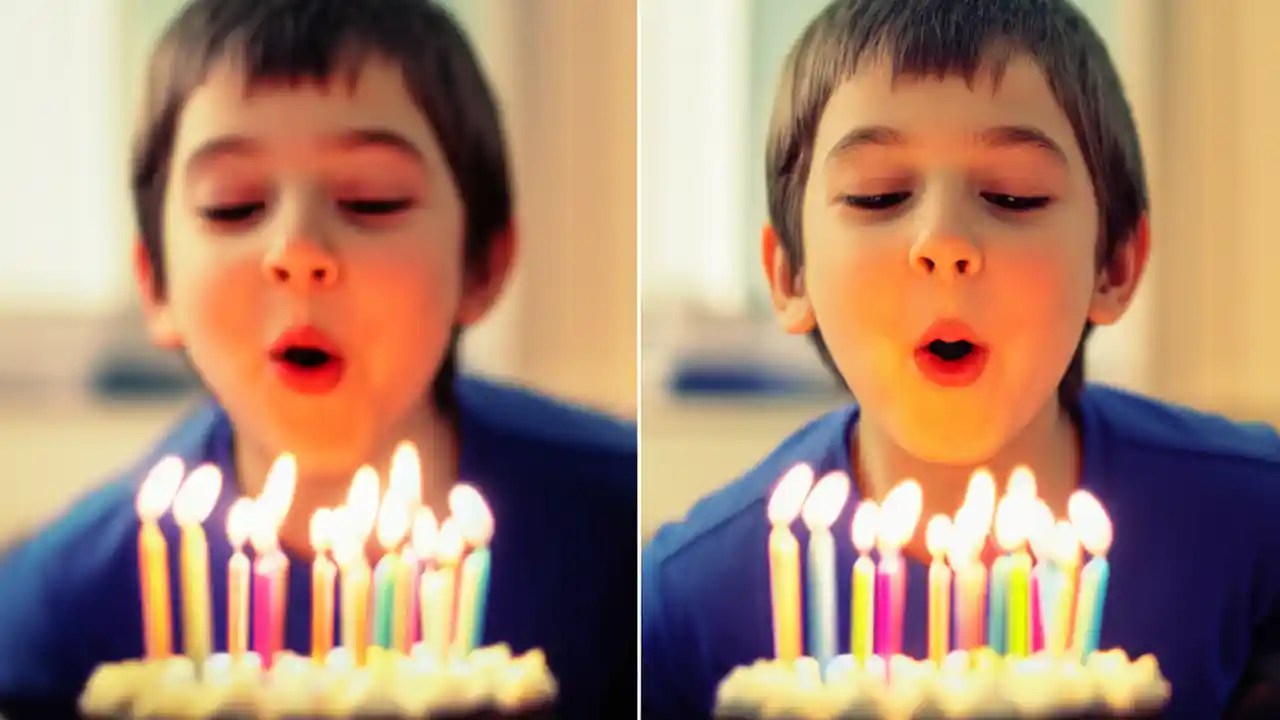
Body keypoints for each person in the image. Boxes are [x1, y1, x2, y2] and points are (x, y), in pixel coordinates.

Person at [641, 0, 1280, 716]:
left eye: (1014, 195)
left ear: (1116, 265)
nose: (942, 241)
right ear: (791, 273)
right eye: (878, 196)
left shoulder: (1257, 519)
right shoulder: (683, 603)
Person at [0, 2, 636, 719]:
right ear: (155, 283)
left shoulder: (623, 548)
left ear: (484, 264)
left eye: (372, 200)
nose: (298, 252)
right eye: (233, 206)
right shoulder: (53, 615)